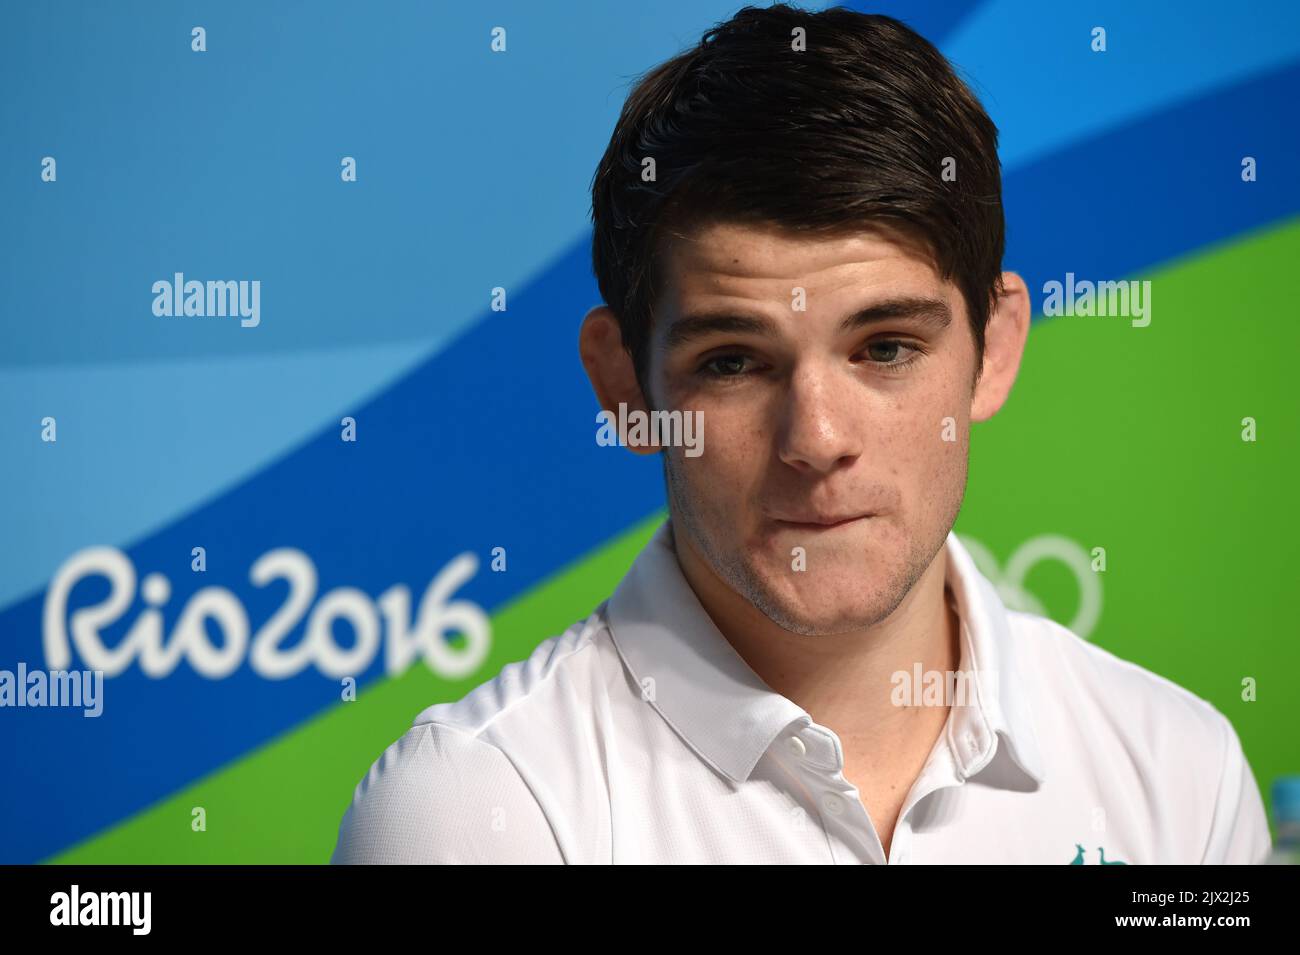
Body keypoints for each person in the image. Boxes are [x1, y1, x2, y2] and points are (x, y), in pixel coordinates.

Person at [331, 3, 1271, 864]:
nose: (817, 438)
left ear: (993, 351)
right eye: (733, 361)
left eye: (886, 347)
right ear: (624, 386)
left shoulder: (1180, 774)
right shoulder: (477, 807)